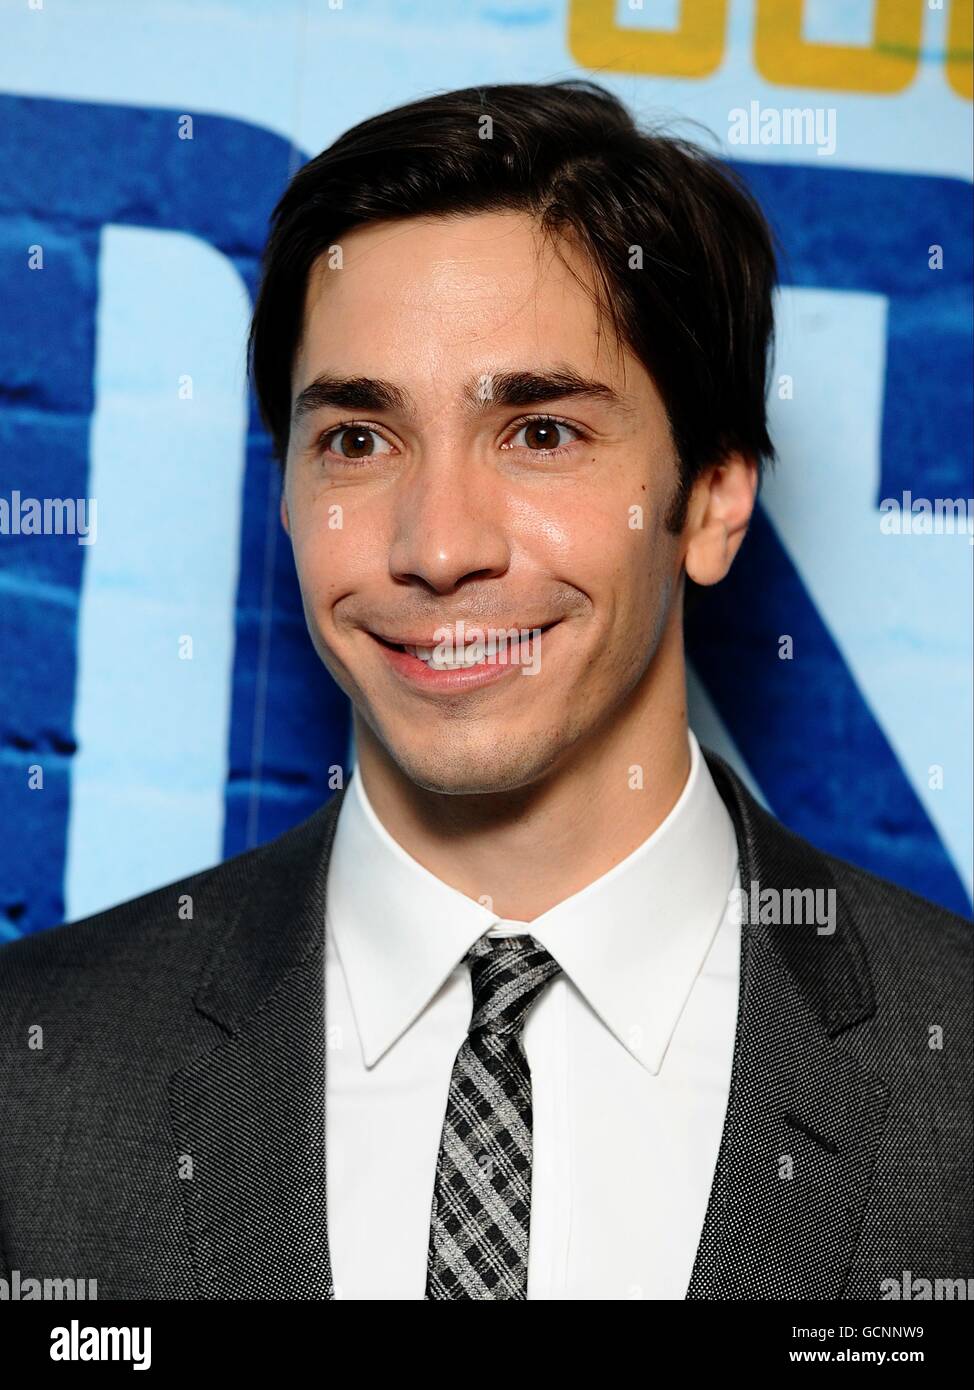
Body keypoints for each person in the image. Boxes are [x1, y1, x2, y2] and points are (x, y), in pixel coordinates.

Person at [0, 81, 969, 1301]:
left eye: (540, 433)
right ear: (289, 494)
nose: (437, 543)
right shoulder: (33, 1079)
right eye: (358, 439)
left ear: (713, 500)